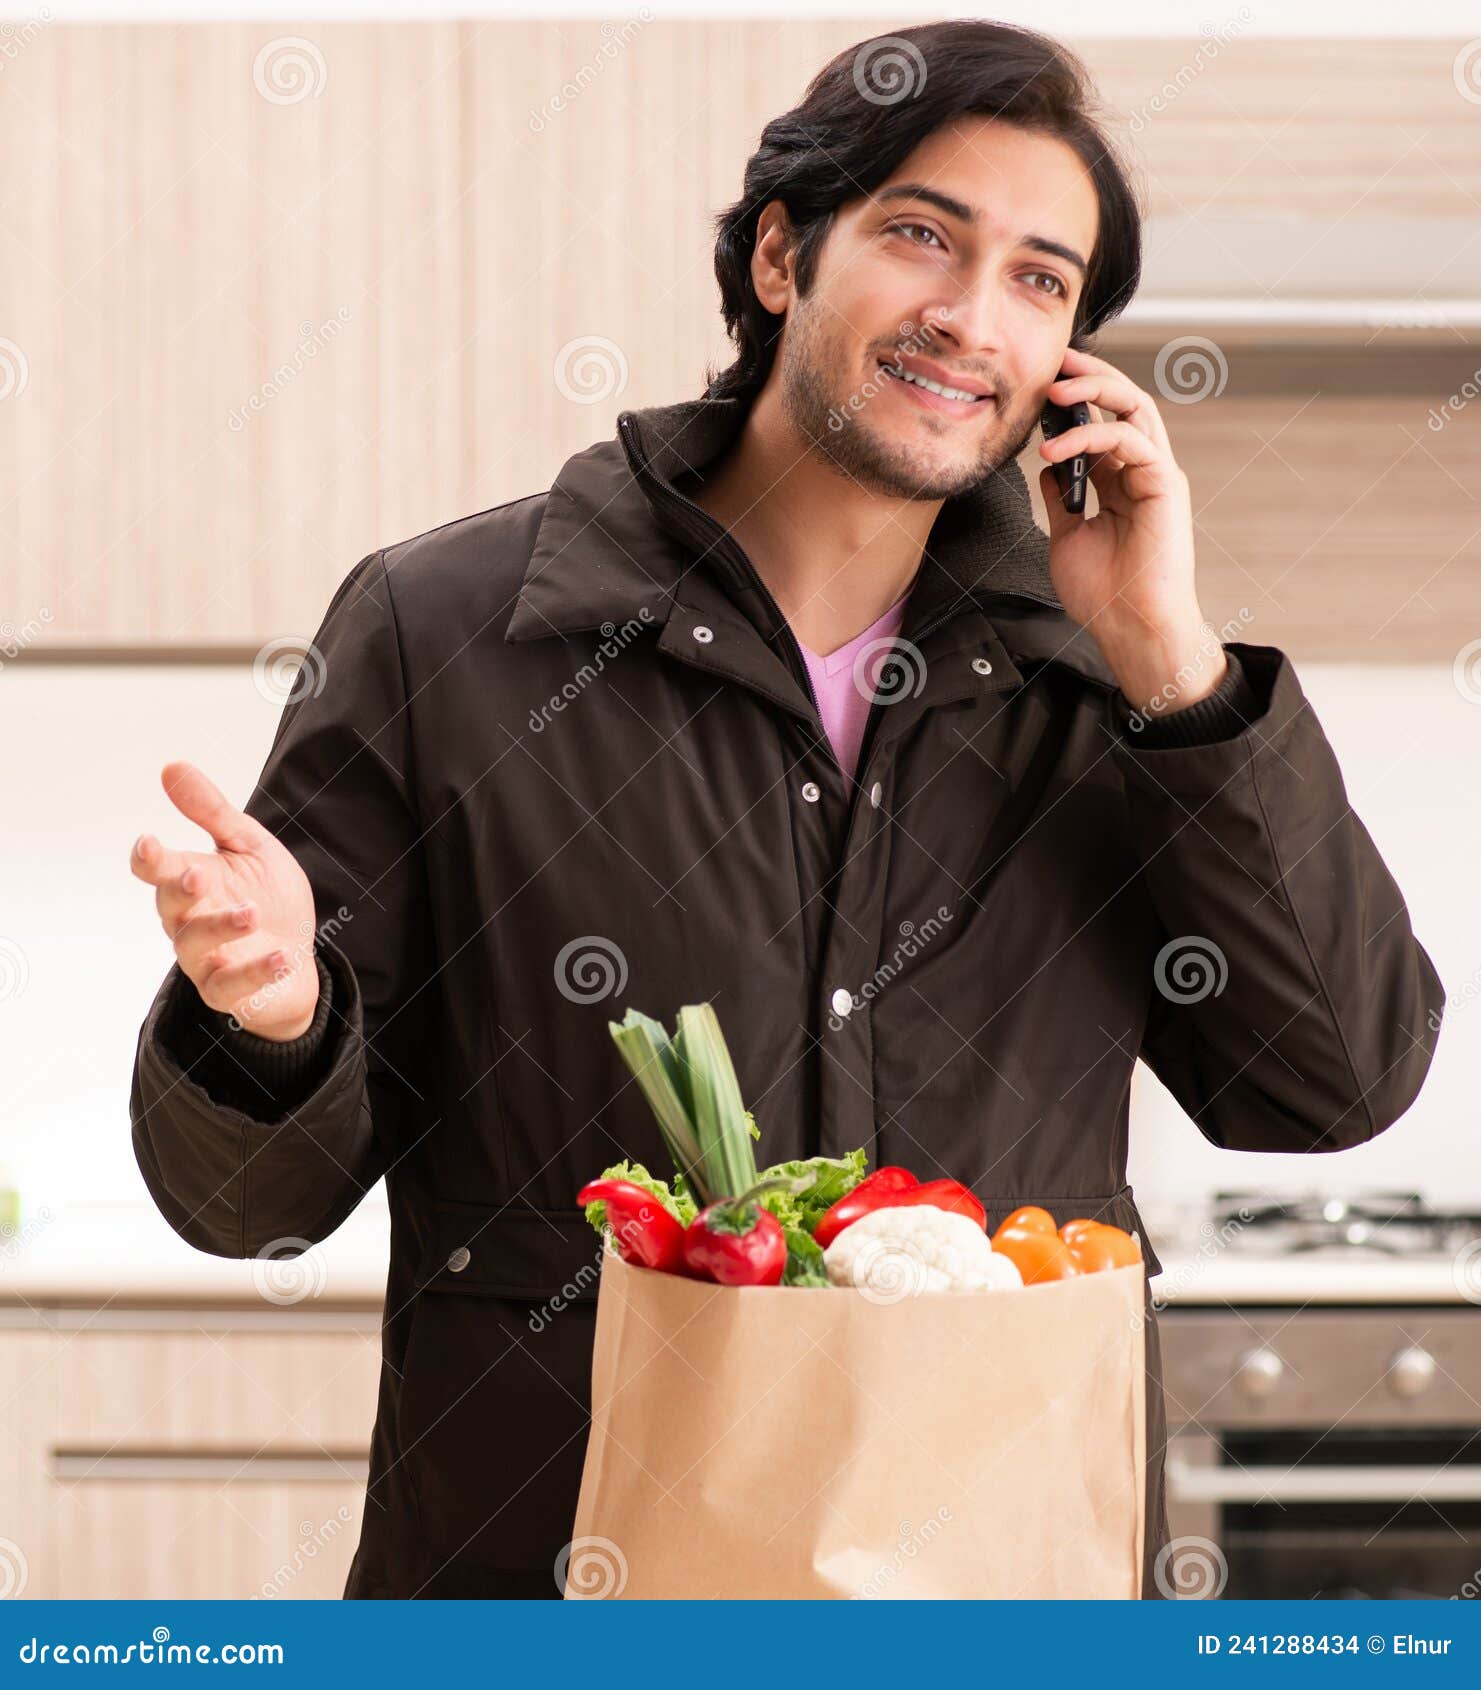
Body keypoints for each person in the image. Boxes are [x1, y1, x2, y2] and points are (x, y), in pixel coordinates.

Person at [128, 20, 1445, 1598]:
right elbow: (240, 1204)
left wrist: (1175, 663)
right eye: (918, 236)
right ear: (776, 257)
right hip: (543, 1572)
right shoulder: (455, 628)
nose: (969, 316)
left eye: (1040, 280)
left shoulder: (1104, 681)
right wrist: (268, 1023)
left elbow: (1331, 1084)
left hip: (991, 1585)